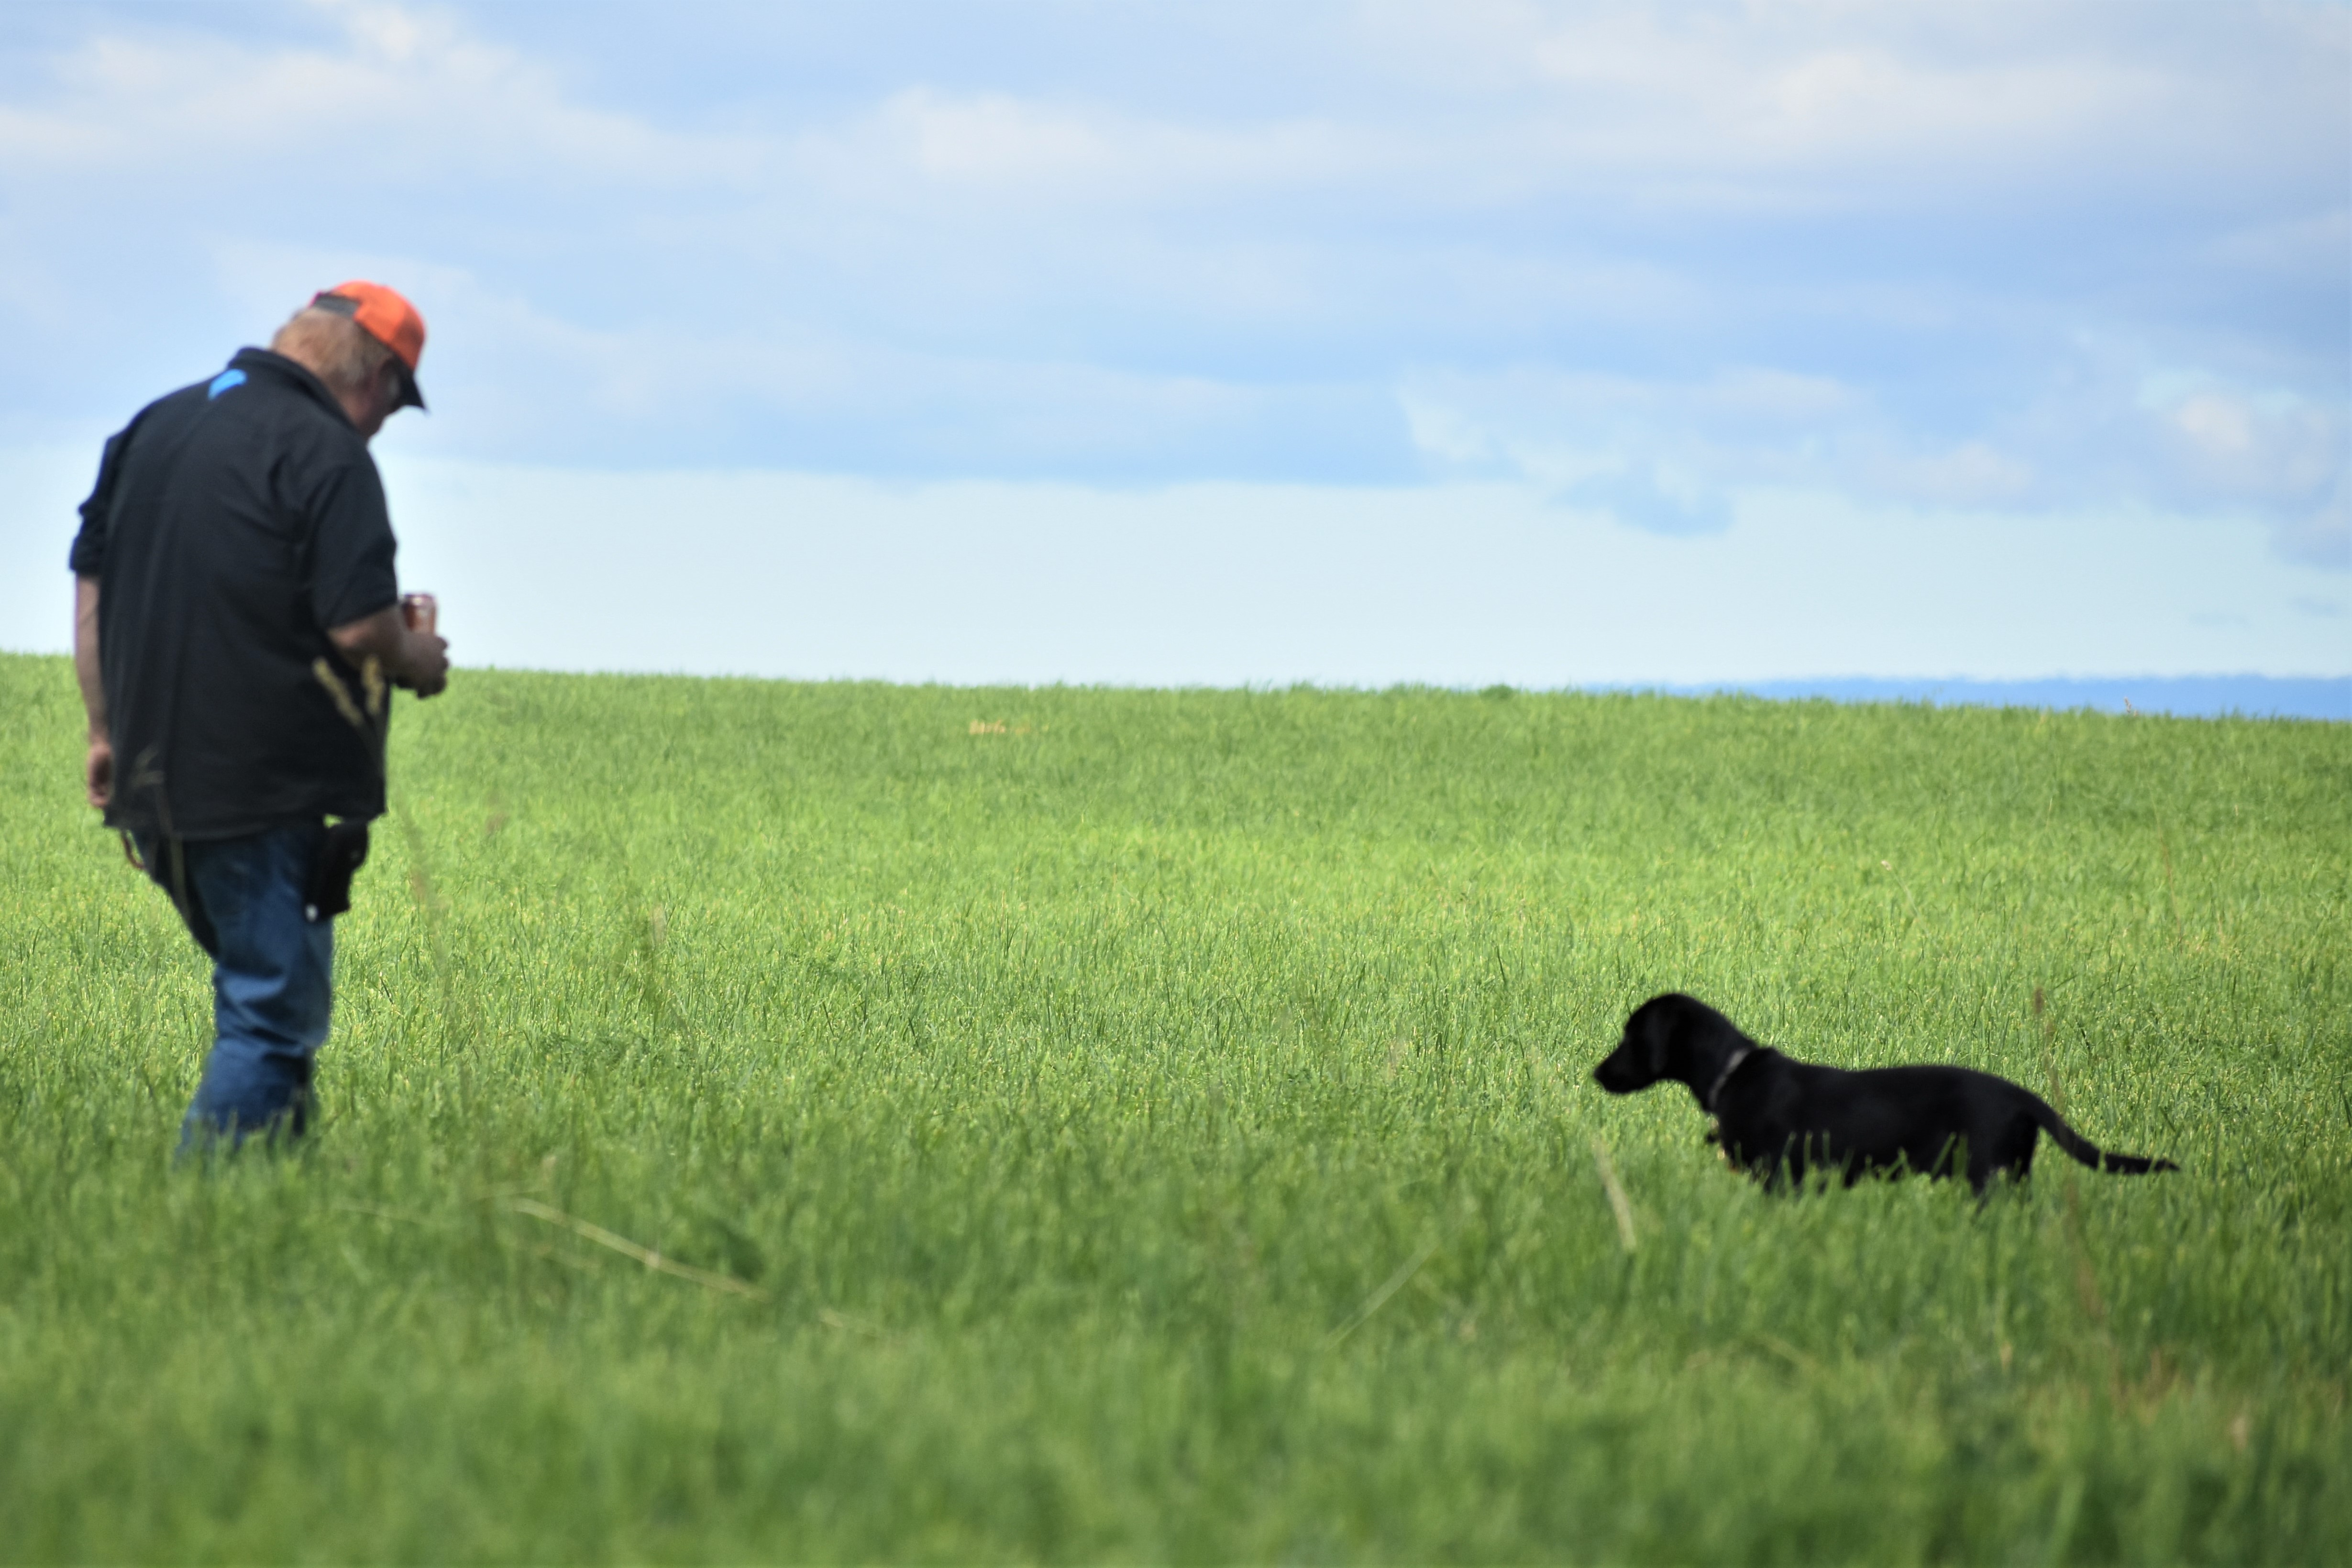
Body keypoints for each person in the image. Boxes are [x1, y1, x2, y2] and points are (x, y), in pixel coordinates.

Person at [70, 282, 451, 1152]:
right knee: (272, 1015)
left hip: (155, 784)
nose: (385, 425)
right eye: (396, 404)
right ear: (380, 377)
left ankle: (280, 1204)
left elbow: (91, 591)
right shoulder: (327, 451)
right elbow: (359, 624)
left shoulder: (151, 429)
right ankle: (200, 1218)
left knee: (270, 998)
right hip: (263, 786)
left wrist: (104, 732)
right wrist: (416, 658)